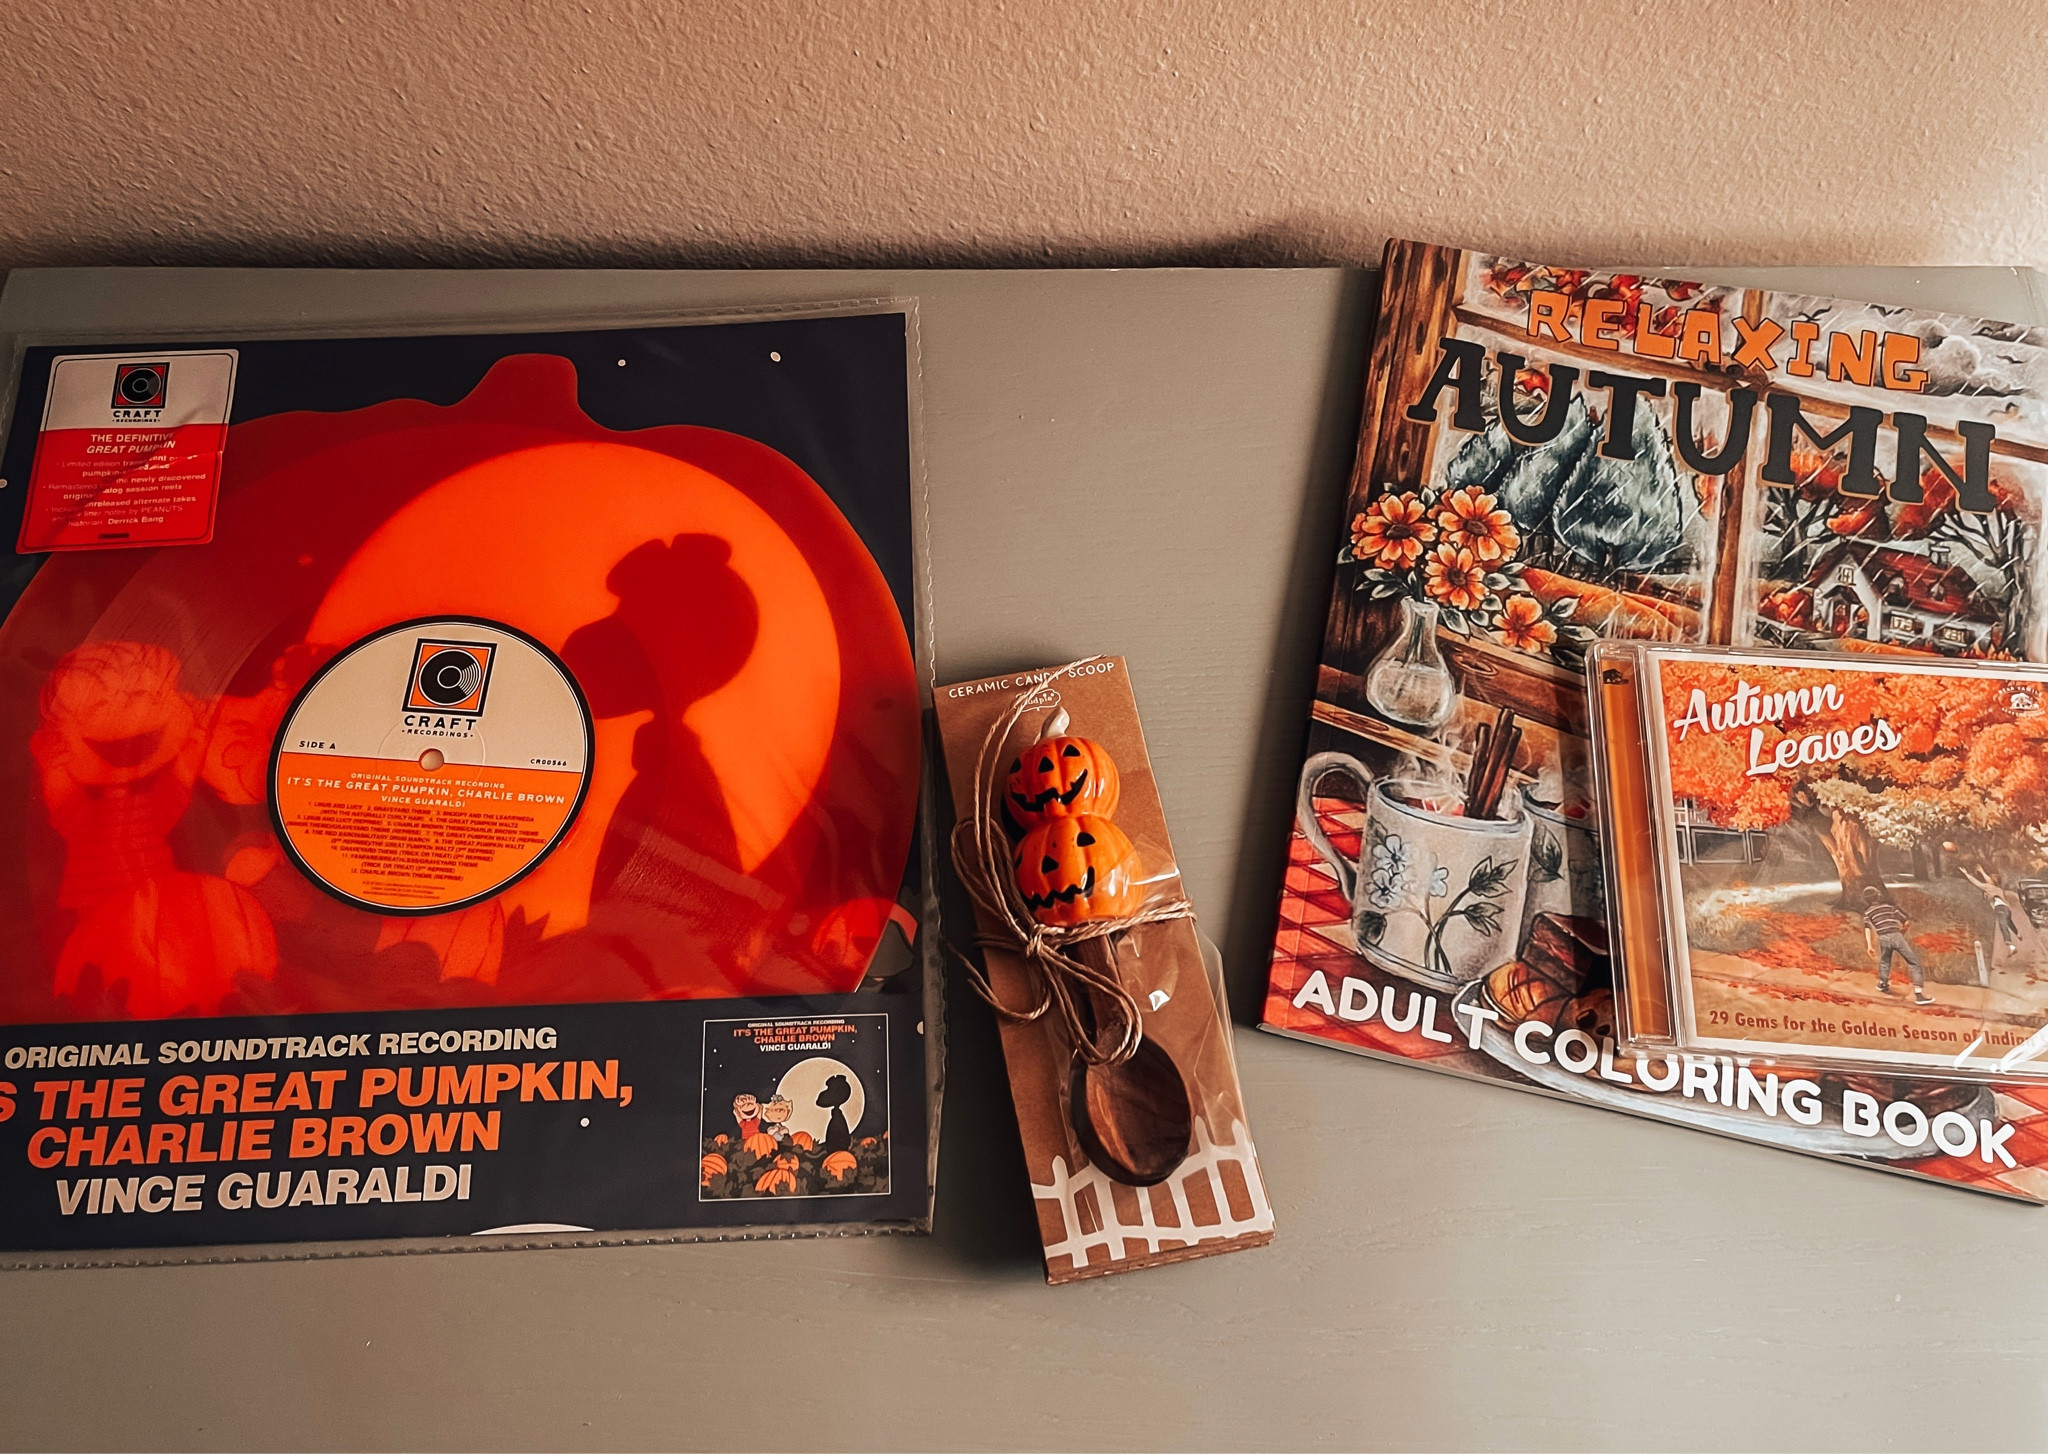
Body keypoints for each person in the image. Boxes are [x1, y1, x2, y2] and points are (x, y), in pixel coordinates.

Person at [1862, 886, 1932, 1005]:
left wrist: (1869, 946)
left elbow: (1867, 928)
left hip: (1883, 938)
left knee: (1884, 961)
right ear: (1878, 896)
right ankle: (1919, 995)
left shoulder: (1868, 912)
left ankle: (1883, 984)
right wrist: (1901, 932)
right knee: (1913, 963)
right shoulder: (1890, 908)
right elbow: (1906, 921)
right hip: (1896, 936)